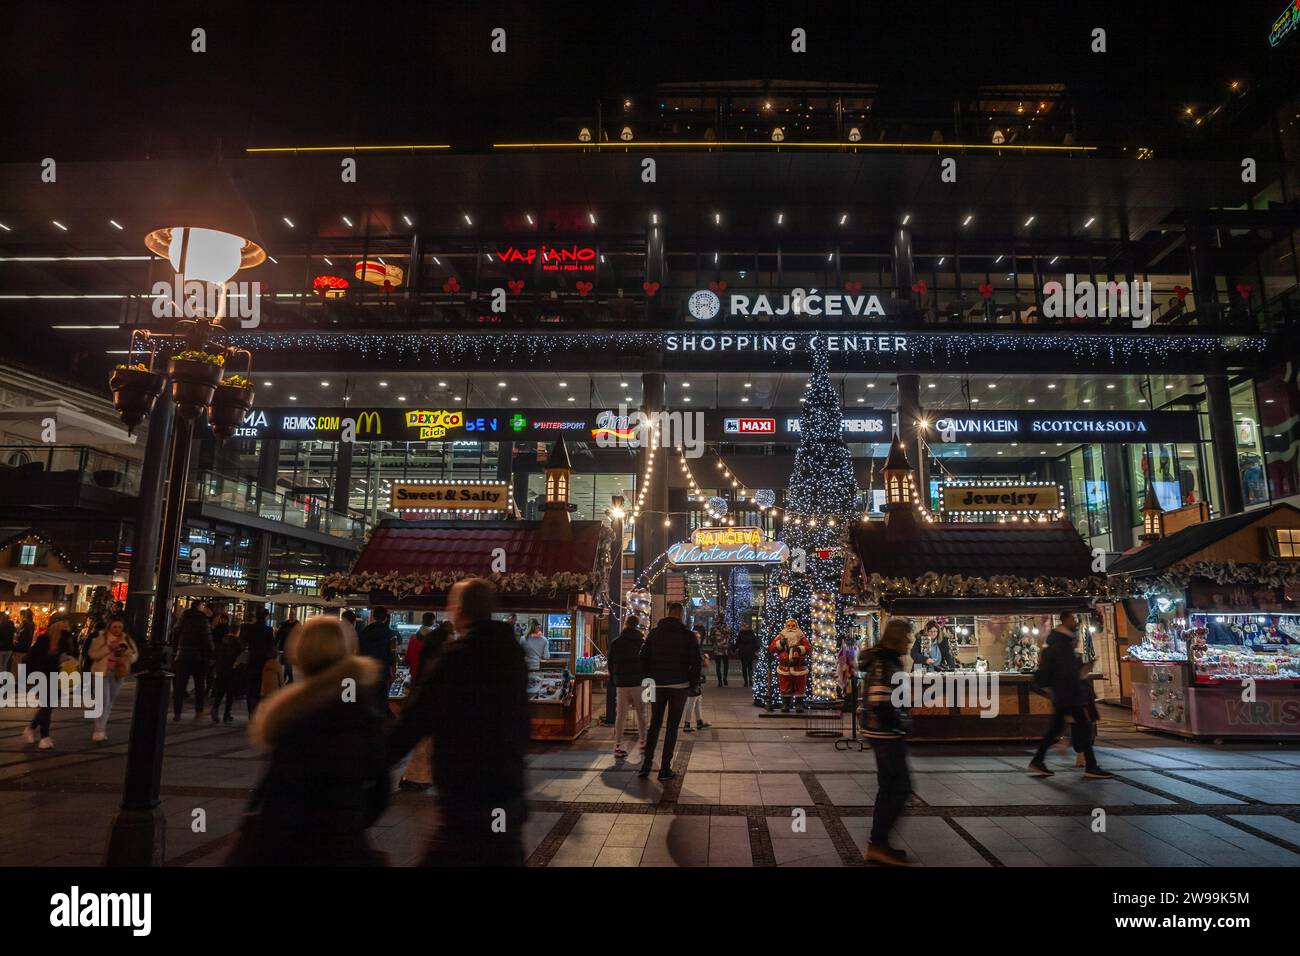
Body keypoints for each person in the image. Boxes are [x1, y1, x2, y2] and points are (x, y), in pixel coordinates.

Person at [387, 579, 530, 866]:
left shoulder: (455, 657)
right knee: (501, 850)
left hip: (467, 793)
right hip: (507, 786)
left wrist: (372, 759)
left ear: (459, 610)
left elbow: (414, 721)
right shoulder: (513, 654)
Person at [229, 616, 389, 866]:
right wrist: (349, 822)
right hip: (349, 849)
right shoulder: (362, 709)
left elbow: (279, 797)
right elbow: (381, 789)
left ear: (301, 654)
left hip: (299, 849)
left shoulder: (295, 715)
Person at [1028, 612, 1114, 779]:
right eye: (1073, 619)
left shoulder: (1060, 644)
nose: (1075, 621)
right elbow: (1066, 672)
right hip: (1069, 694)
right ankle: (1091, 766)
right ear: (1066, 620)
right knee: (1083, 727)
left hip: (1065, 694)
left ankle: (1038, 760)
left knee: (1057, 729)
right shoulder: (1062, 645)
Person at [859, 618, 915, 866]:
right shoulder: (885, 662)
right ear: (897, 638)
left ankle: (878, 843)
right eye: (907, 637)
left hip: (883, 733)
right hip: (886, 734)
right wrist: (900, 722)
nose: (910, 641)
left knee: (889, 788)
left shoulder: (887, 660)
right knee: (900, 788)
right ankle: (878, 844)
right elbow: (880, 701)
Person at [636, 602, 701, 782]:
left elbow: (643, 658)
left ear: (668, 613)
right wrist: (692, 684)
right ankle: (665, 769)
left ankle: (646, 765)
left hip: (656, 685)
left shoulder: (654, 634)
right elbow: (696, 662)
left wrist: (648, 679)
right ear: (681, 615)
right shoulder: (688, 636)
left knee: (654, 725)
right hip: (679, 685)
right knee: (672, 727)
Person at [398, 619, 451, 791]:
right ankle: (415, 777)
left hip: (425, 698)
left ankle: (419, 777)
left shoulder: (428, 648)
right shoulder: (440, 654)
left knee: (426, 742)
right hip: (432, 701)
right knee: (426, 743)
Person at [22, 612, 77, 750]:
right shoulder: (44, 639)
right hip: (43, 677)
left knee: (48, 707)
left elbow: (73, 654)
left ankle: (30, 728)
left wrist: (69, 658)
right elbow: (34, 660)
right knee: (47, 707)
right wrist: (57, 659)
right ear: (55, 623)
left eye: (67, 621)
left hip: (60, 677)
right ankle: (44, 737)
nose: (66, 624)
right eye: (63, 621)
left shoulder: (68, 638)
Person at [86, 614, 138, 742]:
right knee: (103, 701)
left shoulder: (127, 639)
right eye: (114, 627)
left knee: (109, 703)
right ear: (109, 627)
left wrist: (127, 656)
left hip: (118, 673)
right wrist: (109, 648)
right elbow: (93, 654)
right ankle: (99, 730)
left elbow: (135, 654)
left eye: (120, 627)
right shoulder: (101, 638)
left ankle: (100, 728)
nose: (117, 630)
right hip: (101, 673)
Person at [607, 615, 647, 759]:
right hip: (638, 683)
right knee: (641, 713)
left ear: (625, 624)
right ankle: (643, 742)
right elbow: (646, 663)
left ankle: (618, 745)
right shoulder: (642, 642)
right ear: (637, 625)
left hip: (622, 684)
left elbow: (610, 663)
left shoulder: (616, 642)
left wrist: (614, 680)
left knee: (621, 716)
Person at [172, 600, 212, 721]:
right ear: (199, 607)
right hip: (198, 656)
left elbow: (175, 633)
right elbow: (207, 638)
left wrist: (176, 650)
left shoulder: (183, 618)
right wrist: (210, 654)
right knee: (199, 685)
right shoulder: (202, 619)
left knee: (179, 686)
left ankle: (177, 713)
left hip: (182, 655)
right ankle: (199, 711)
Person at [769, 618, 812, 712]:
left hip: (798, 667)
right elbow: (772, 648)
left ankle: (799, 704)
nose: (791, 628)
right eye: (789, 626)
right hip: (785, 666)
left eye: (793, 626)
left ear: (796, 627)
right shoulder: (781, 636)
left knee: (799, 686)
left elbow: (809, 648)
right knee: (785, 685)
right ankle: (786, 704)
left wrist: (800, 649)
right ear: (786, 626)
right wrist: (780, 643)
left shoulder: (801, 636)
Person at [358, 607, 396, 709]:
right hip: (383, 670)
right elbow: (392, 654)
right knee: (382, 698)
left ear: (374, 616)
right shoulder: (389, 633)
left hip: (367, 668)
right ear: (386, 618)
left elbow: (360, 650)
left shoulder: (365, 631)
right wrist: (393, 670)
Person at [244, 608, 276, 716]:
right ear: (265, 617)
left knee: (250, 688)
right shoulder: (268, 630)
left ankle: (250, 712)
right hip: (262, 663)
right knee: (259, 689)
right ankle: (256, 711)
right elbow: (271, 647)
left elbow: (244, 644)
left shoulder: (249, 628)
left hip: (251, 661)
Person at [210, 621, 244, 723]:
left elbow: (216, 654)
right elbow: (241, 656)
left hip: (221, 669)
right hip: (232, 669)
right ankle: (226, 714)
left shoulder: (223, 640)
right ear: (237, 631)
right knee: (230, 693)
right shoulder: (238, 643)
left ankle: (215, 708)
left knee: (220, 691)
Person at [682, 628, 709, 733]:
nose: (699, 639)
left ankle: (699, 721)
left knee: (698, 699)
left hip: (693, 677)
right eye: (698, 637)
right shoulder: (695, 649)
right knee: (692, 700)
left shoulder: (688, 648)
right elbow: (702, 663)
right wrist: (705, 658)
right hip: (694, 678)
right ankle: (687, 723)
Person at [734, 622, 758, 688]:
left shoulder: (741, 634)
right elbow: (755, 642)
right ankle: (750, 681)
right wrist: (756, 649)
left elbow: (737, 643)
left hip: (743, 652)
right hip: (750, 652)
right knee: (749, 667)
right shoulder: (751, 633)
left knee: (745, 667)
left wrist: (733, 649)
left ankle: (746, 682)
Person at [709, 621, 732, 686]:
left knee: (718, 666)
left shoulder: (714, 629)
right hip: (725, 650)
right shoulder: (727, 628)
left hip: (717, 650)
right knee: (725, 665)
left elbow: (711, 638)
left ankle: (720, 681)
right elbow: (730, 638)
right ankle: (724, 678)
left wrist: (715, 643)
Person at [12, 608, 35, 675]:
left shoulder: (25, 624)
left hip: (19, 648)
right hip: (26, 647)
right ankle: (20, 681)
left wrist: (15, 635)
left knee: (16, 666)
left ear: (23, 616)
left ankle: (14, 682)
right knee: (22, 666)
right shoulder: (32, 624)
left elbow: (19, 634)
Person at [0, 610, 13, 676]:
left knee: (0, 665)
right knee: (4, 665)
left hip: (1, 648)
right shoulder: (11, 624)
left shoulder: (1, 625)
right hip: (9, 648)